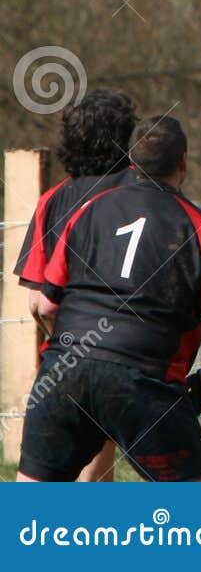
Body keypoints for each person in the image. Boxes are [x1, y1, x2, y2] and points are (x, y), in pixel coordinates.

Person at [17, 115, 201, 483]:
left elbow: (47, 304)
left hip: (64, 370)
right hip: (144, 379)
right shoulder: (200, 228)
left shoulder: (86, 211)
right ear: (183, 163)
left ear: (131, 162)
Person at [13, 88, 136, 481]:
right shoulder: (146, 194)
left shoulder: (53, 200)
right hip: (136, 355)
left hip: (67, 356)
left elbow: (38, 301)